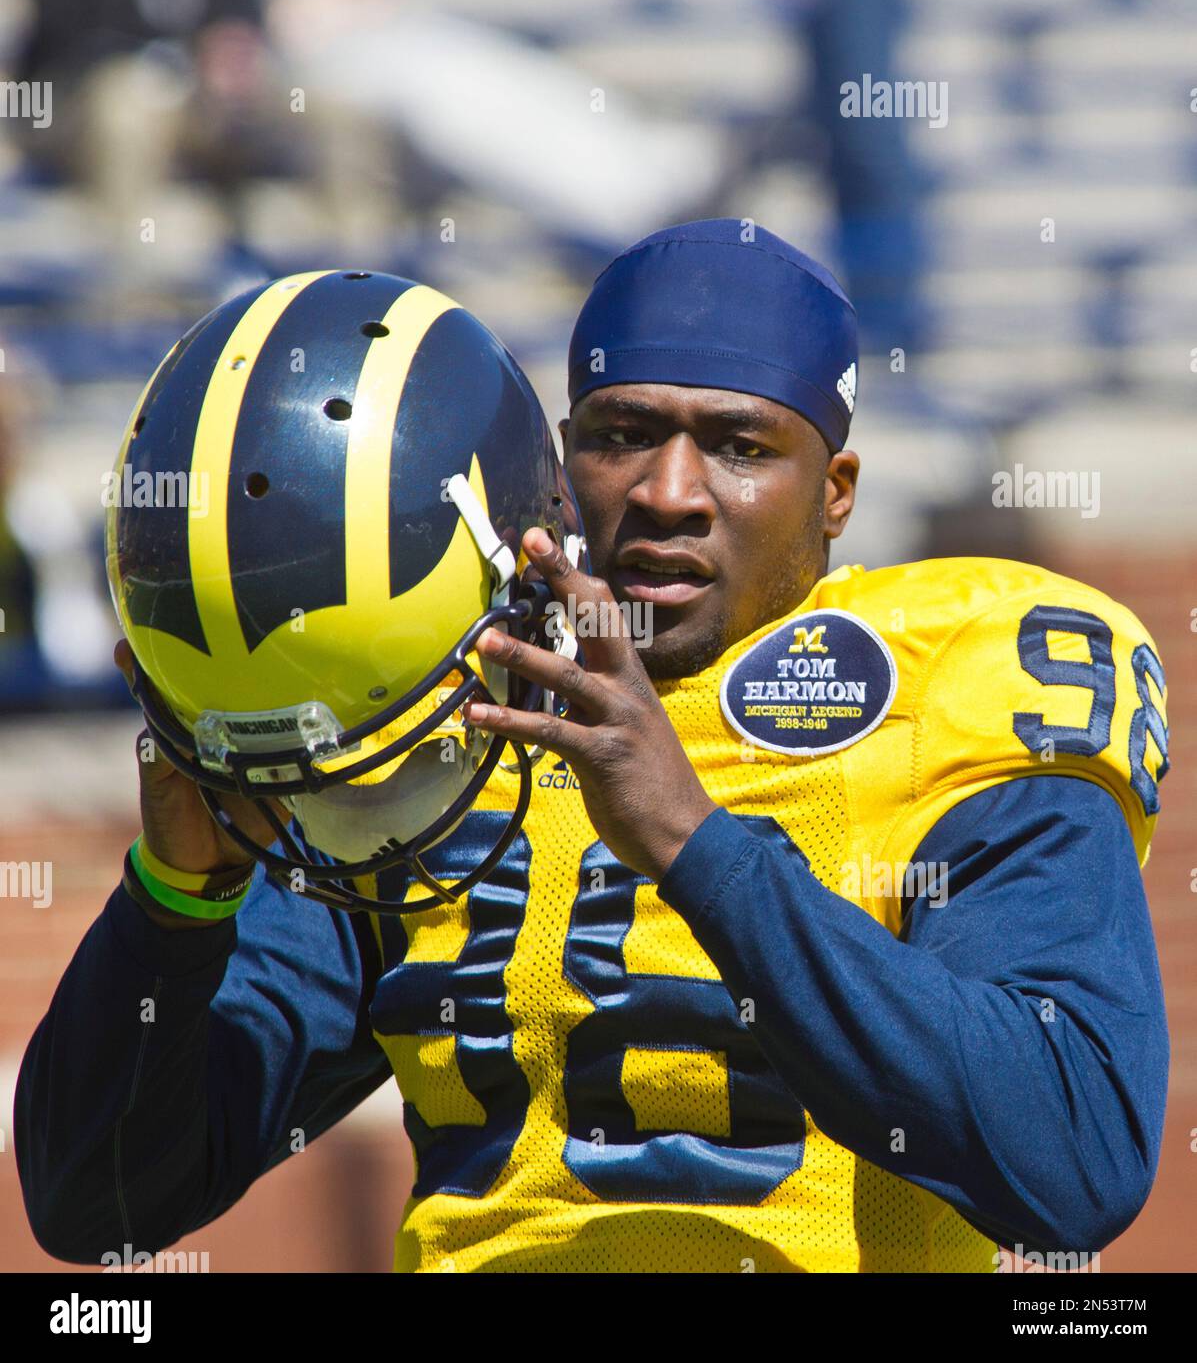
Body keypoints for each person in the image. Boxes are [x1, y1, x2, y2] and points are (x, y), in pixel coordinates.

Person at [16, 224, 1170, 1273]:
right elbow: (100, 1201)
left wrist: (692, 840)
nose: (670, 492)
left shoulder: (954, 678)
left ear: (836, 492)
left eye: (738, 446)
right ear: (562, 466)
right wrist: (178, 900)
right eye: (625, 436)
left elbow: (1074, 1159)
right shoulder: (453, 723)